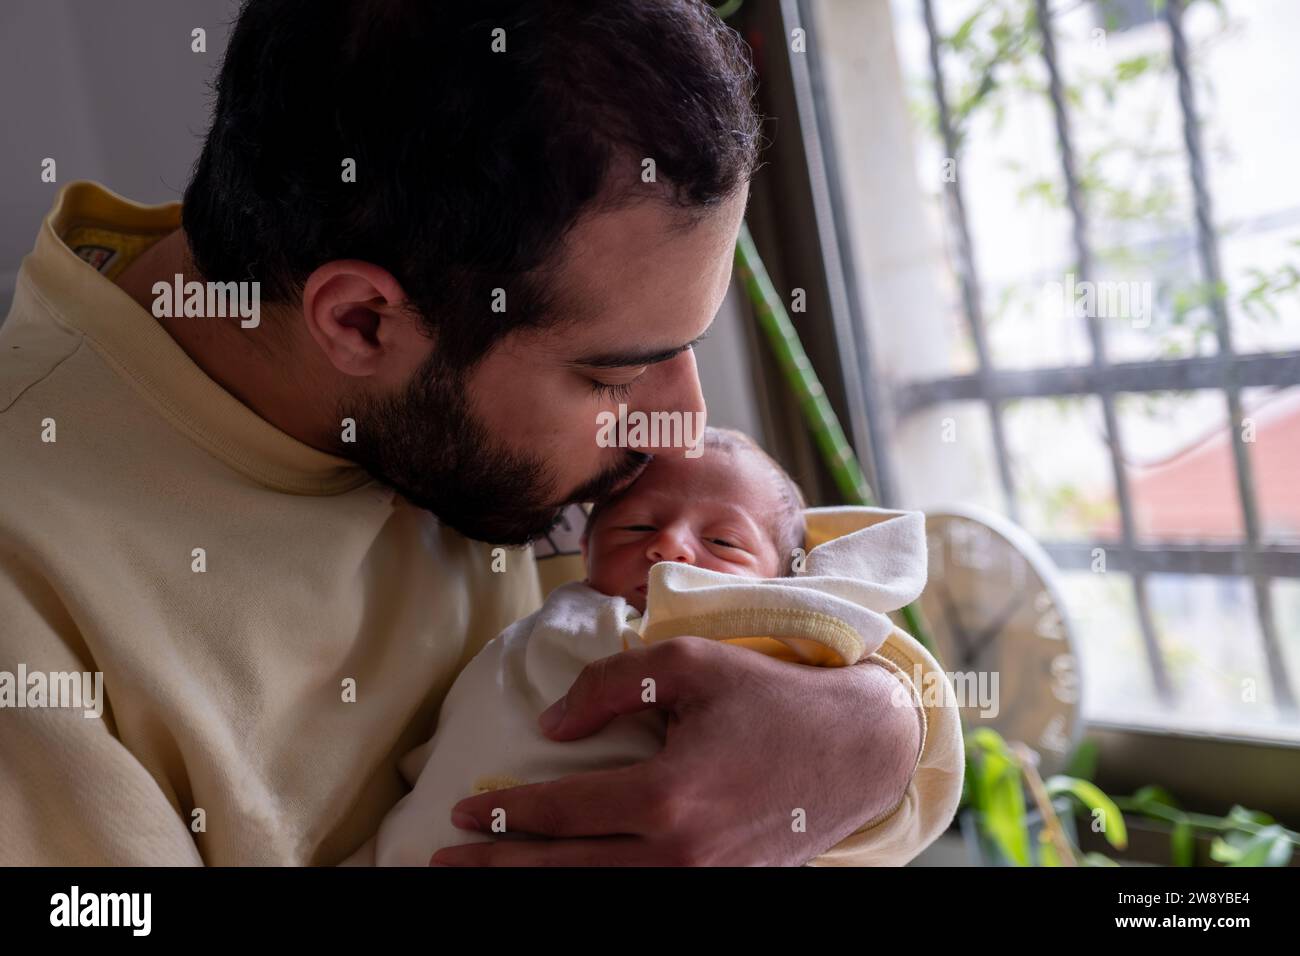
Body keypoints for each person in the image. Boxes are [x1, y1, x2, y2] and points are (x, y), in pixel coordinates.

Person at [0, 0, 961, 866]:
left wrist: (883, 732)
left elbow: (773, 625)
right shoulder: (28, 587)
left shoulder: (448, 377)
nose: (684, 429)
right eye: (612, 373)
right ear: (361, 322)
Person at [349, 428, 958, 866]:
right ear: (582, 549)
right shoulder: (558, 614)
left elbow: (846, 658)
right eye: (636, 527)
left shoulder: (759, 641)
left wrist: (885, 717)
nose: (670, 547)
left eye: (723, 543)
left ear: (784, 581)